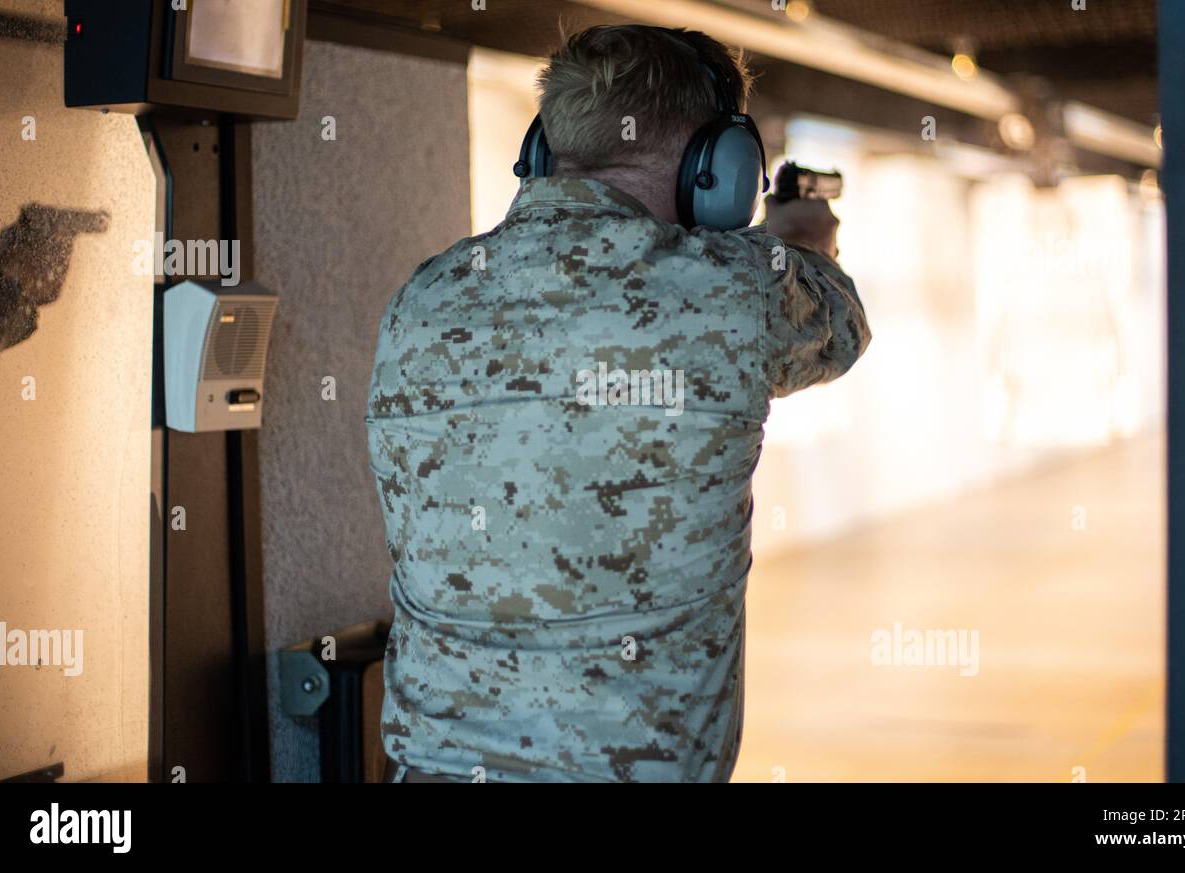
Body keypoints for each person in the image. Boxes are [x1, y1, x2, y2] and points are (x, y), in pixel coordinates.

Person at [366, 24, 869, 782]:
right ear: (719, 166)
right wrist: (799, 244)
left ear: (542, 150)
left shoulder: (422, 296)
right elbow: (838, 326)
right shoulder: (737, 290)